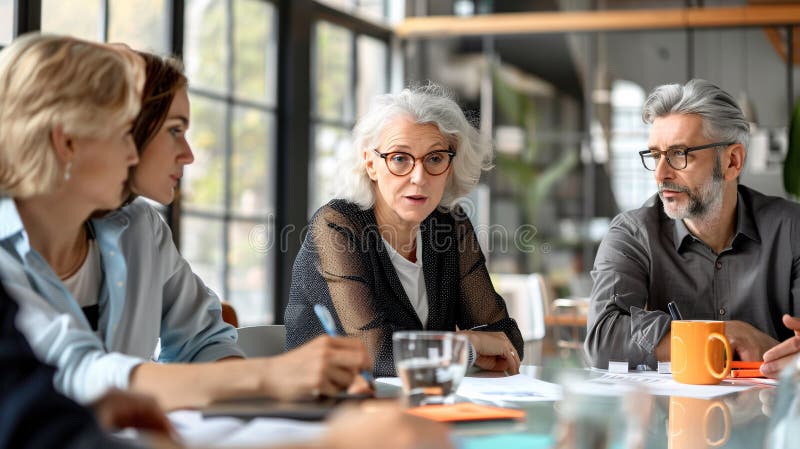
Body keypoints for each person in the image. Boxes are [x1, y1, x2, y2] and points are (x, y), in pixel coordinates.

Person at [0, 37, 371, 410]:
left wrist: (268, 396)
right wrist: (270, 377)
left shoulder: (139, 225)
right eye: (124, 131)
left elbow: (202, 341)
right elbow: (75, 375)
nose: (132, 153)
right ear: (66, 142)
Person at [0, 278, 453, 449]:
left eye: (437, 158)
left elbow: (206, 339)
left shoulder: (135, 223)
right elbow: (377, 346)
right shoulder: (339, 225)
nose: (189, 154)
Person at [284, 84, 524, 376]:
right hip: (333, 408)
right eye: (400, 158)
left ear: (452, 165)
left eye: (435, 158)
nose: (419, 178)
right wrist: (468, 346)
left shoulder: (450, 225)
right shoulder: (336, 226)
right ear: (371, 164)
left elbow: (505, 339)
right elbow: (375, 354)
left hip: (423, 404)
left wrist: (469, 346)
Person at [585, 79, 800, 370]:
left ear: (732, 162)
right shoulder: (633, 234)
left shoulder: (792, 230)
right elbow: (603, 339)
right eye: (656, 155)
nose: (661, 174)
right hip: (676, 414)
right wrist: (722, 336)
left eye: (678, 154)